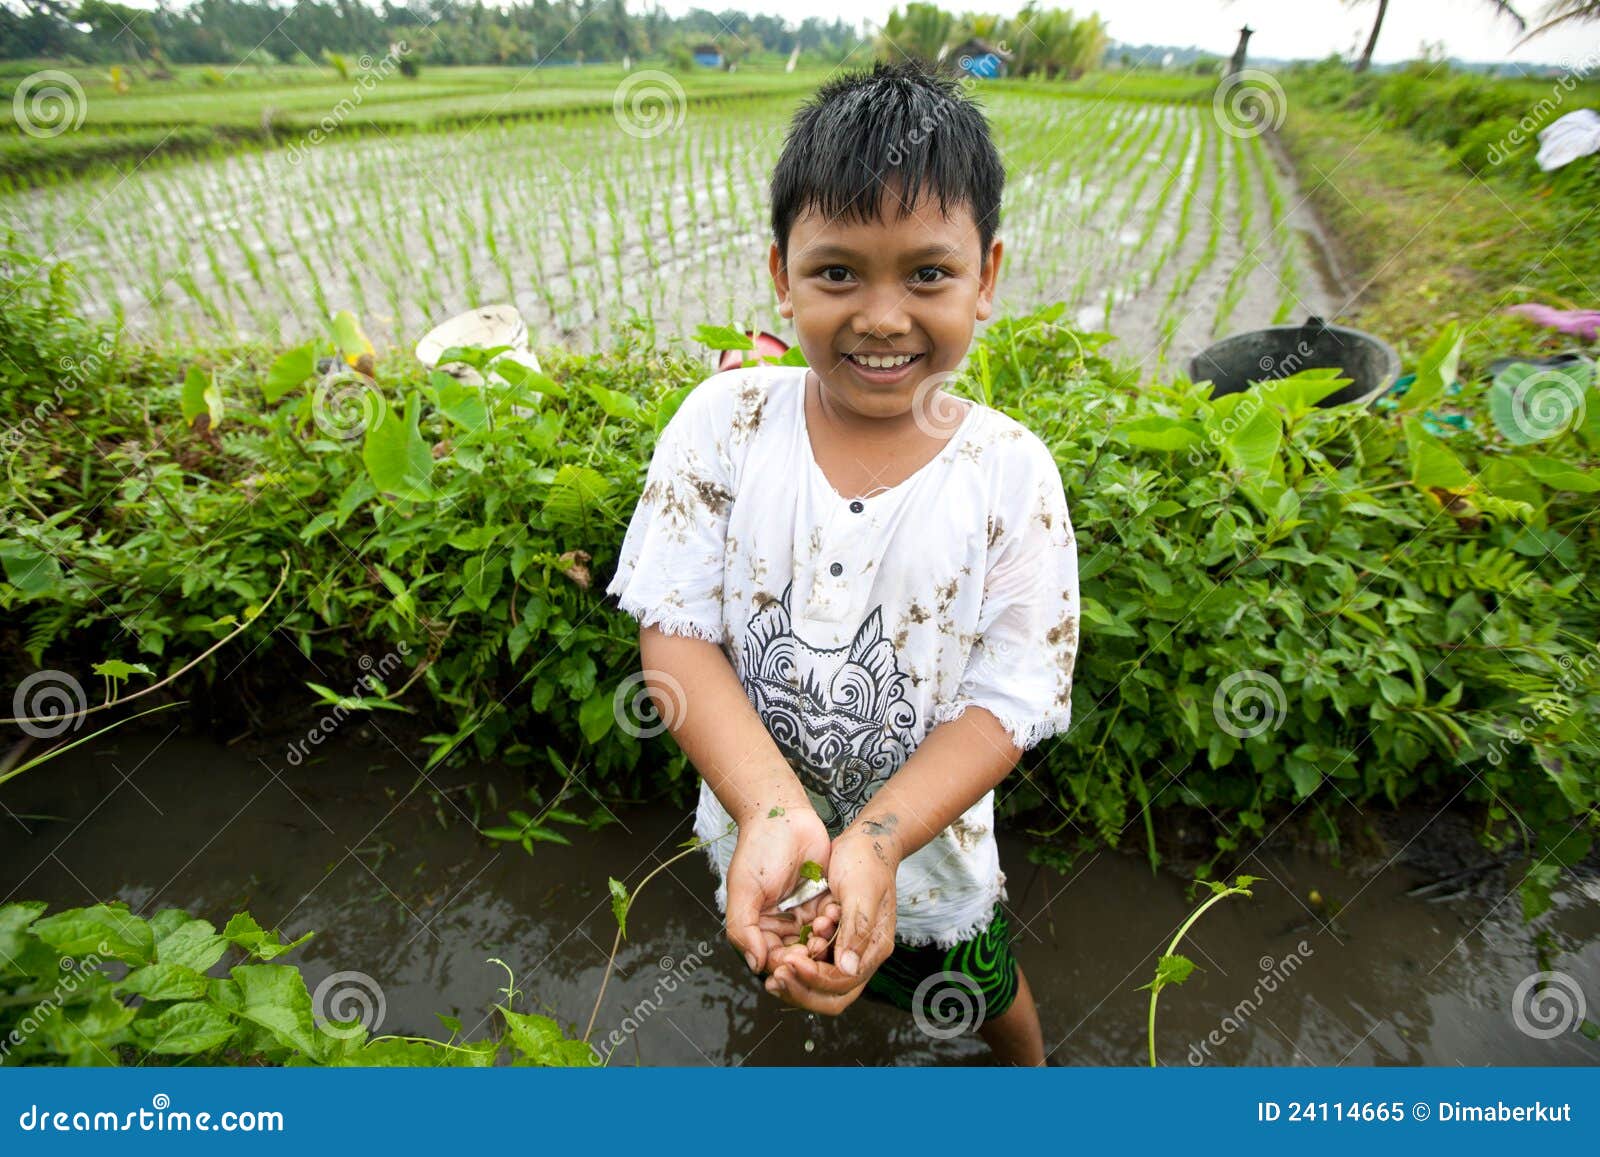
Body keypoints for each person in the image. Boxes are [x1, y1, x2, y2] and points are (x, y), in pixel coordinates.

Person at [604, 58, 1080, 1066]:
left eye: (927, 273)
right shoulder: (723, 422)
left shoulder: (1009, 472)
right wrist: (774, 807)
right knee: (792, 952)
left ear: (985, 277)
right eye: (836, 272)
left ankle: (1037, 1077)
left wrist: (876, 838)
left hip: (929, 852)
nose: (879, 314)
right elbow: (677, 633)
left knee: (978, 987)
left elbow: (1011, 694)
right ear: (780, 275)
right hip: (757, 819)